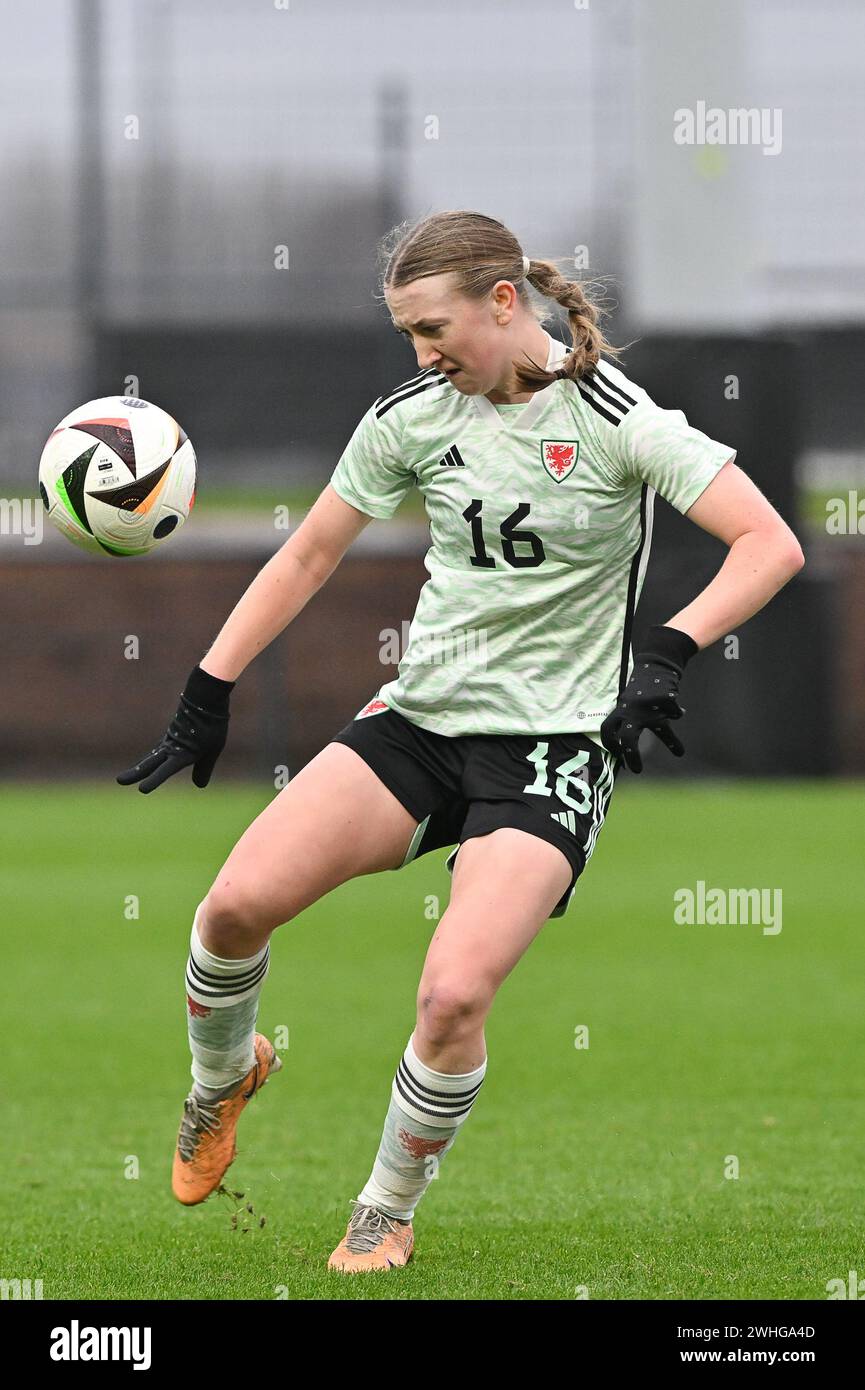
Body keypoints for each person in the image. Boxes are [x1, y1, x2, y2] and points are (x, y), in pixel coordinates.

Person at [117, 209, 805, 1274]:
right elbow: (305, 557)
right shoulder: (410, 415)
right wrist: (209, 683)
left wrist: (666, 652)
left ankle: (385, 1206)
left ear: (502, 302)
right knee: (232, 907)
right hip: (421, 722)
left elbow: (769, 541)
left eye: (433, 328)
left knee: (452, 994)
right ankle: (222, 1079)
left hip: (551, 748)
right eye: (406, 334)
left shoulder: (621, 418)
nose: (422, 353)